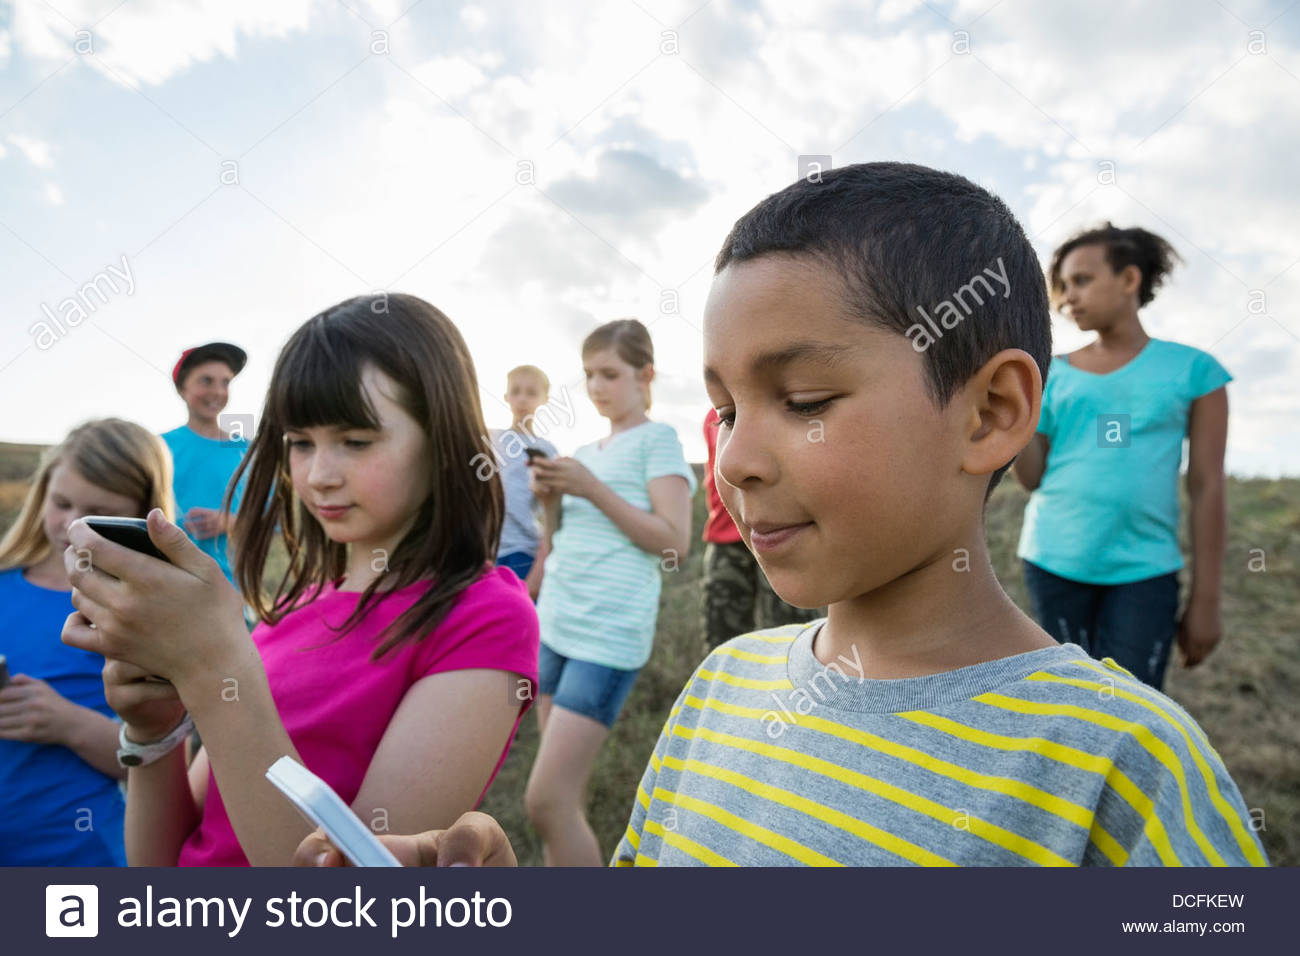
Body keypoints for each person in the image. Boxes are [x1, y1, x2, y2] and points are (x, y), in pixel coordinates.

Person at [296, 164, 1266, 868]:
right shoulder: (723, 686)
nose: (737, 460)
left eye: (802, 400)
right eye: (724, 408)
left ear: (990, 412)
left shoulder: (1123, 773)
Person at [61, 294, 539, 866]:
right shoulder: (291, 608)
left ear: (443, 438)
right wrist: (152, 733)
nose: (319, 475)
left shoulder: (485, 617)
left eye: (356, 441)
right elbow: (160, 865)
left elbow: (352, 911)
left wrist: (214, 670)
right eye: (300, 443)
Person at [1012, 224, 1231, 691]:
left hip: (1145, 572)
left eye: (1083, 280)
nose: (1069, 296)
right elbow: (1030, 479)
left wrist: (1206, 600)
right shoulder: (1050, 373)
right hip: (1053, 561)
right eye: (1064, 287)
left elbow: (1207, 484)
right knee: (1068, 702)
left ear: (1130, 279)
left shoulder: (1195, 371)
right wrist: (1018, 411)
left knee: (1133, 707)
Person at [523, 319, 695, 865]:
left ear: (645, 375)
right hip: (556, 624)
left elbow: (674, 545)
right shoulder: (584, 450)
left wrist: (590, 489)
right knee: (560, 800)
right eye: (589, 375)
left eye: (609, 374)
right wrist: (550, 497)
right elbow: (557, 540)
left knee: (545, 800)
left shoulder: (659, 440)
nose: (596, 386)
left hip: (608, 635)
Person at [0, 418, 175, 865]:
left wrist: (68, 724)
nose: (70, 526)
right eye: (60, 503)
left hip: (77, 858)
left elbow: (168, 761)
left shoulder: (142, 612)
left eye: (95, 514)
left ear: (142, 518)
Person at [700, 407, 822, 648]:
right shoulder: (711, 418)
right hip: (725, 538)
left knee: (787, 636)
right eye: (728, 419)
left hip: (782, 531)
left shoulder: (778, 406)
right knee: (719, 636)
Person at [160, 342, 249, 588]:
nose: (217, 391)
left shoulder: (246, 450)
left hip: (234, 591)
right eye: (206, 381)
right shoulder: (159, 447)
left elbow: (272, 518)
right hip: (169, 584)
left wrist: (231, 522)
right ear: (181, 389)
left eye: (225, 382)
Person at [491, 365, 558, 600]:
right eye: (516, 391)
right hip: (485, 549)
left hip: (522, 549)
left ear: (544, 399)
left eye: (531, 393)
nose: (522, 399)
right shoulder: (490, 438)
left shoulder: (546, 450)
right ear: (506, 396)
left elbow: (551, 507)